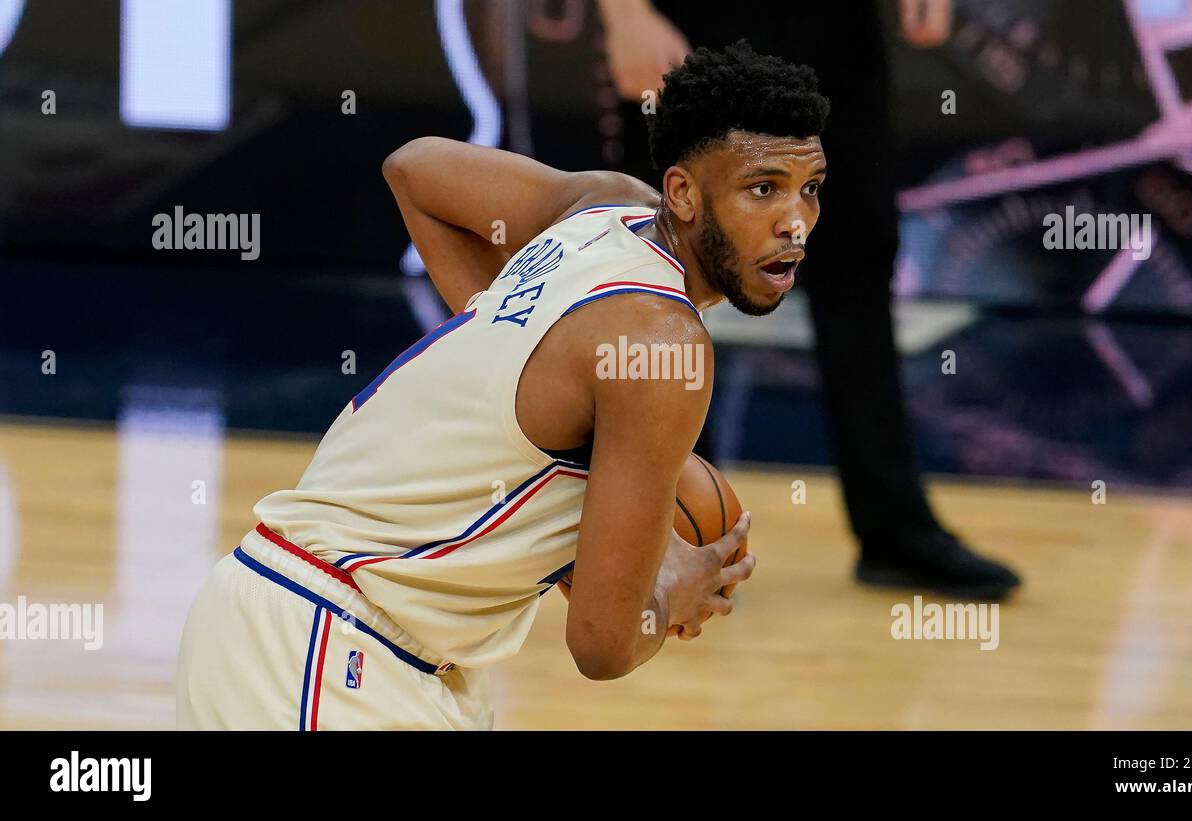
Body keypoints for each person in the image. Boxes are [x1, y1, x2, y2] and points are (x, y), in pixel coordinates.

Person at [175, 42, 824, 730]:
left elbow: (418, 169)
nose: (795, 221)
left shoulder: (599, 207)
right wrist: (668, 598)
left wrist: (507, 339)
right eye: (763, 188)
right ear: (684, 193)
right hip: (322, 647)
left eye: (809, 188)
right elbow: (604, 644)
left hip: (359, 644)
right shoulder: (662, 343)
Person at [597, 0, 1021, 600]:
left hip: (834, 31)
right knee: (665, 270)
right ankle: (666, 535)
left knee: (859, 260)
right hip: (692, 29)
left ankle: (894, 530)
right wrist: (625, 14)